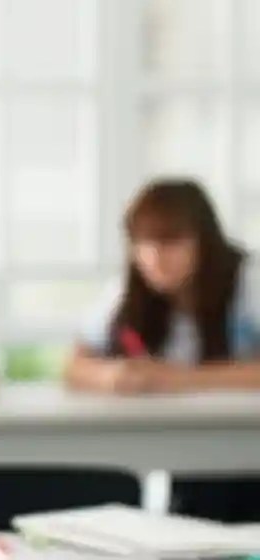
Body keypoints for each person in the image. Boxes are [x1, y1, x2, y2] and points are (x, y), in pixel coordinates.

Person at [66, 178, 260, 521]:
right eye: (143, 244)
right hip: (187, 460)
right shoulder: (128, 292)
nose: (154, 258)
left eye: (171, 243)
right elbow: (74, 366)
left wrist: (176, 379)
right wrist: (112, 375)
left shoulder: (248, 281)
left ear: (204, 242)